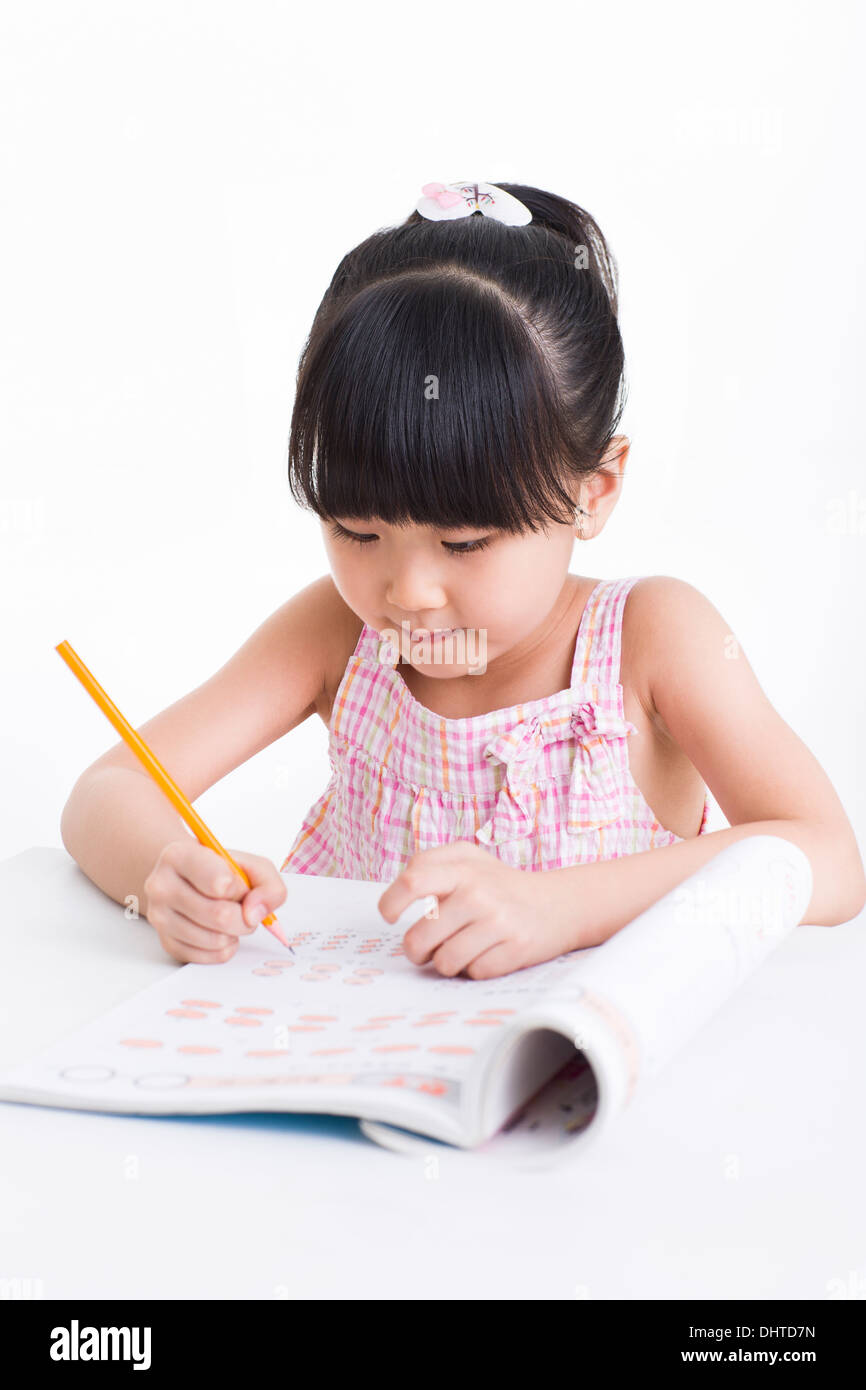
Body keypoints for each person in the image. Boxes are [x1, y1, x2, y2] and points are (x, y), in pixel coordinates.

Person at [60, 180, 866, 979]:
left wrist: (563, 908)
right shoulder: (340, 635)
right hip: (348, 1057)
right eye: (358, 530)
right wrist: (164, 875)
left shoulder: (653, 639)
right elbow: (107, 790)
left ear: (594, 491)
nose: (405, 591)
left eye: (468, 541)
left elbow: (826, 860)